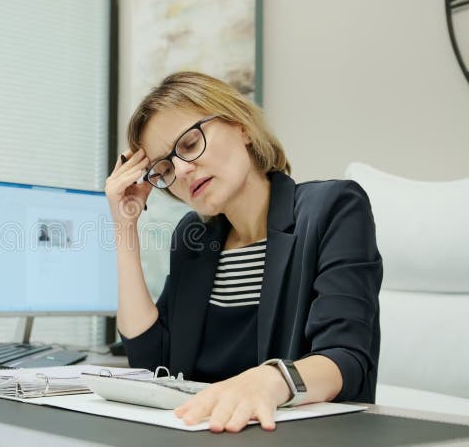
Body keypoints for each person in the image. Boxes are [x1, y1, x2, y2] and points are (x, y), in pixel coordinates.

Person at [105, 71, 382, 433]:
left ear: (242, 127)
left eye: (190, 144)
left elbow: (346, 359)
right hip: (203, 433)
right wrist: (124, 226)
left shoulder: (333, 208)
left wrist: (267, 381)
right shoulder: (194, 238)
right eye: (165, 168)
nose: (182, 171)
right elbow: (152, 364)